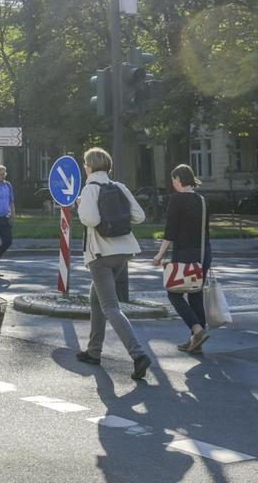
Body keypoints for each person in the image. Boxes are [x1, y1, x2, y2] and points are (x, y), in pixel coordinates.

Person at [76, 147, 152, 380]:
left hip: (101, 254)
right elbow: (139, 216)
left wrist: (81, 205)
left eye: (85, 164)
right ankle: (93, 351)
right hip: (124, 251)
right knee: (95, 299)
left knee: (110, 307)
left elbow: (90, 219)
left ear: (89, 167)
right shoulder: (119, 187)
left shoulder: (90, 188)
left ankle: (139, 355)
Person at [151, 164, 213, 353]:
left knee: (174, 293)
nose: (173, 183)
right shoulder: (202, 200)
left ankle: (197, 330)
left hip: (185, 253)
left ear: (178, 179)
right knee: (195, 294)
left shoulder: (176, 200)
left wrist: (160, 254)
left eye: (173, 179)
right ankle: (196, 341)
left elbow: (170, 231)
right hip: (203, 253)